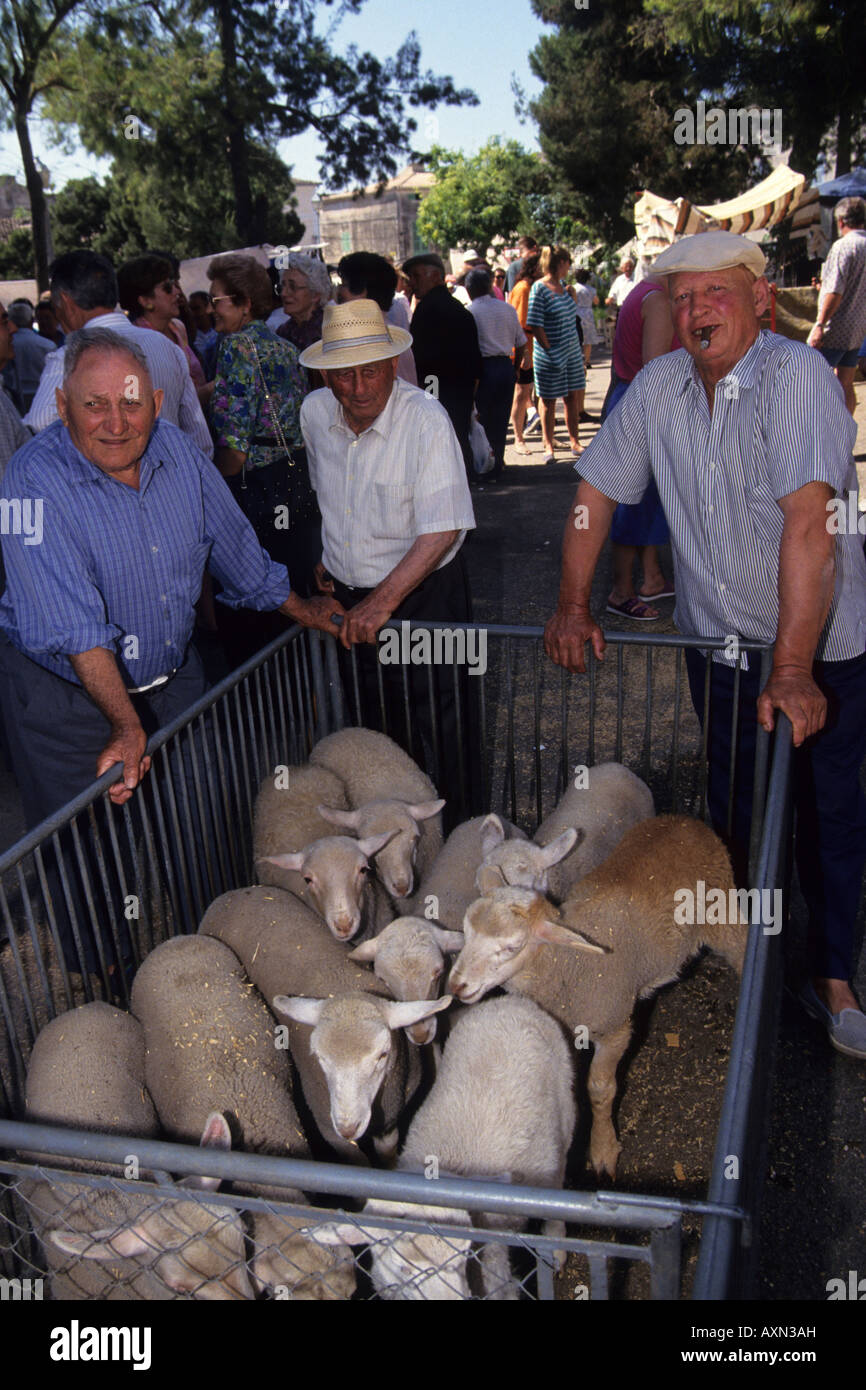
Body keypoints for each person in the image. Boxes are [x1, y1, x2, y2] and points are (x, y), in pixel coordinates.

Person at [544, 229, 866, 1060]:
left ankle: (832, 977)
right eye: (679, 299)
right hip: (722, 646)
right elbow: (593, 493)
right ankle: (753, 952)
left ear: (762, 299)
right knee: (737, 805)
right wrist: (574, 603)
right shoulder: (658, 388)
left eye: (713, 293)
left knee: (827, 810)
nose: (694, 312)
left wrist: (793, 668)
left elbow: (810, 528)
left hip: (820, 649)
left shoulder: (796, 379)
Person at [0, 328, 343, 971]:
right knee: (85, 846)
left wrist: (303, 608)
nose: (114, 422)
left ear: (157, 401)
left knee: (199, 819)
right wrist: (126, 727)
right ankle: (102, 984)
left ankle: (205, 958)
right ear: (64, 406)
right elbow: (77, 629)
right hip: (65, 698)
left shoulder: (179, 452)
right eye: (93, 404)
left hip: (171, 676)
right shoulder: (28, 485)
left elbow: (236, 545)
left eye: (129, 402)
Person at [298, 299, 476, 808]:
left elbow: (442, 530)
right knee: (376, 732)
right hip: (354, 599)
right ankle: (393, 837)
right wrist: (329, 554)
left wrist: (381, 604)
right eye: (343, 376)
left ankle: (460, 839)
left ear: (393, 366)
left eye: (369, 373)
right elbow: (325, 493)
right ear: (325, 377)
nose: (357, 389)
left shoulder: (425, 419)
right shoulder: (313, 413)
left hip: (425, 595)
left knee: (445, 728)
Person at [207, 252, 322, 665]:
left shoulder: (236, 346)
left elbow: (234, 447)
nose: (210, 308)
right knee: (292, 590)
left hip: (256, 488)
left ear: (245, 303)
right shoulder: (284, 345)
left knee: (255, 596)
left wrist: (215, 496)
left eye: (217, 300)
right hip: (294, 480)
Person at [24, 252, 212, 455]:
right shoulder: (167, 347)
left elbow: (39, 423)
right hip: (174, 479)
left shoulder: (70, 357)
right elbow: (200, 441)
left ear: (65, 302)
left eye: (55, 307)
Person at [603, 278, 679, 621]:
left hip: (631, 397)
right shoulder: (660, 301)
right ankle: (621, 592)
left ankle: (652, 578)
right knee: (632, 502)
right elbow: (656, 372)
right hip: (643, 405)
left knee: (645, 501)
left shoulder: (646, 290)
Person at [403, 252, 482, 486]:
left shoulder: (427, 310)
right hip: (459, 390)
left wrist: (428, 395)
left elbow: (421, 359)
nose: (412, 283)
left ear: (436, 276)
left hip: (437, 390)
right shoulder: (458, 309)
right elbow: (474, 361)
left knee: (441, 443)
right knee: (458, 438)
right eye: (410, 278)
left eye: (416, 276)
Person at [118, 254, 208, 403]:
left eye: (173, 284)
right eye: (167, 288)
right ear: (146, 301)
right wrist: (211, 390)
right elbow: (168, 401)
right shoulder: (139, 344)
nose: (177, 292)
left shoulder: (177, 327)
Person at [526, 245, 586, 464]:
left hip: (570, 351)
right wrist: (550, 350)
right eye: (568, 263)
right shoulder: (539, 288)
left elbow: (571, 319)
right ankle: (548, 443)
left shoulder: (564, 287)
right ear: (561, 263)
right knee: (548, 400)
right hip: (550, 354)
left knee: (572, 397)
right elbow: (535, 323)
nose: (569, 267)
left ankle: (574, 441)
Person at [806, 195, 866, 416]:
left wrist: (820, 323)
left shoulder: (844, 246)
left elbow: (835, 291)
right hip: (858, 327)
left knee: (812, 379)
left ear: (840, 221)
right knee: (846, 382)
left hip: (836, 326)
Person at [465, 267, 525, 479]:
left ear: (469, 289)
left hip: (482, 369)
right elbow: (521, 342)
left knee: (481, 418)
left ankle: (484, 463)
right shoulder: (507, 309)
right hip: (504, 366)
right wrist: (516, 368)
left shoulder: (470, 311)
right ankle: (498, 461)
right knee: (501, 418)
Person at [337, 251, 417, 385]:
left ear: (362, 290)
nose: (339, 292)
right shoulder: (389, 332)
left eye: (344, 285)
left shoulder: (373, 336)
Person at [507, 252, 541, 455]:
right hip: (524, 347)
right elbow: (519, 325)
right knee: (521, 394)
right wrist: (525, 353)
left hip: (534, 347)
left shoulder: (534, 287)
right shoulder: (523, 289)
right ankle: (518, 438)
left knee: (531, 393)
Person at [276, 253, 334, 356]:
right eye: (282, 286)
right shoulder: (283, 332)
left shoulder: (330, 330)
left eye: (293, 287)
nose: (284, 293)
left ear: (315, 294)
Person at [5, 301, 53, 413]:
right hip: (42, 398)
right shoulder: (47, 345)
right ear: (31, 320)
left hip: (23, 398)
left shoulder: (11, 344)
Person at [571, 268, 600, 372]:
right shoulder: (591, 289)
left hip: (576, 312)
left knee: (578, 337)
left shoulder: (574, 288)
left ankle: (578, 360)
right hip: (588, 313)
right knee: (588, 339)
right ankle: (587, 360)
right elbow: (596, 302)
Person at [187, 290, 220, 381]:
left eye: (197, 308)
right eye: (191, 309)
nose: (193, 314)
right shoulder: (189, 340)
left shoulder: (220, 333)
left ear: (208, 307)